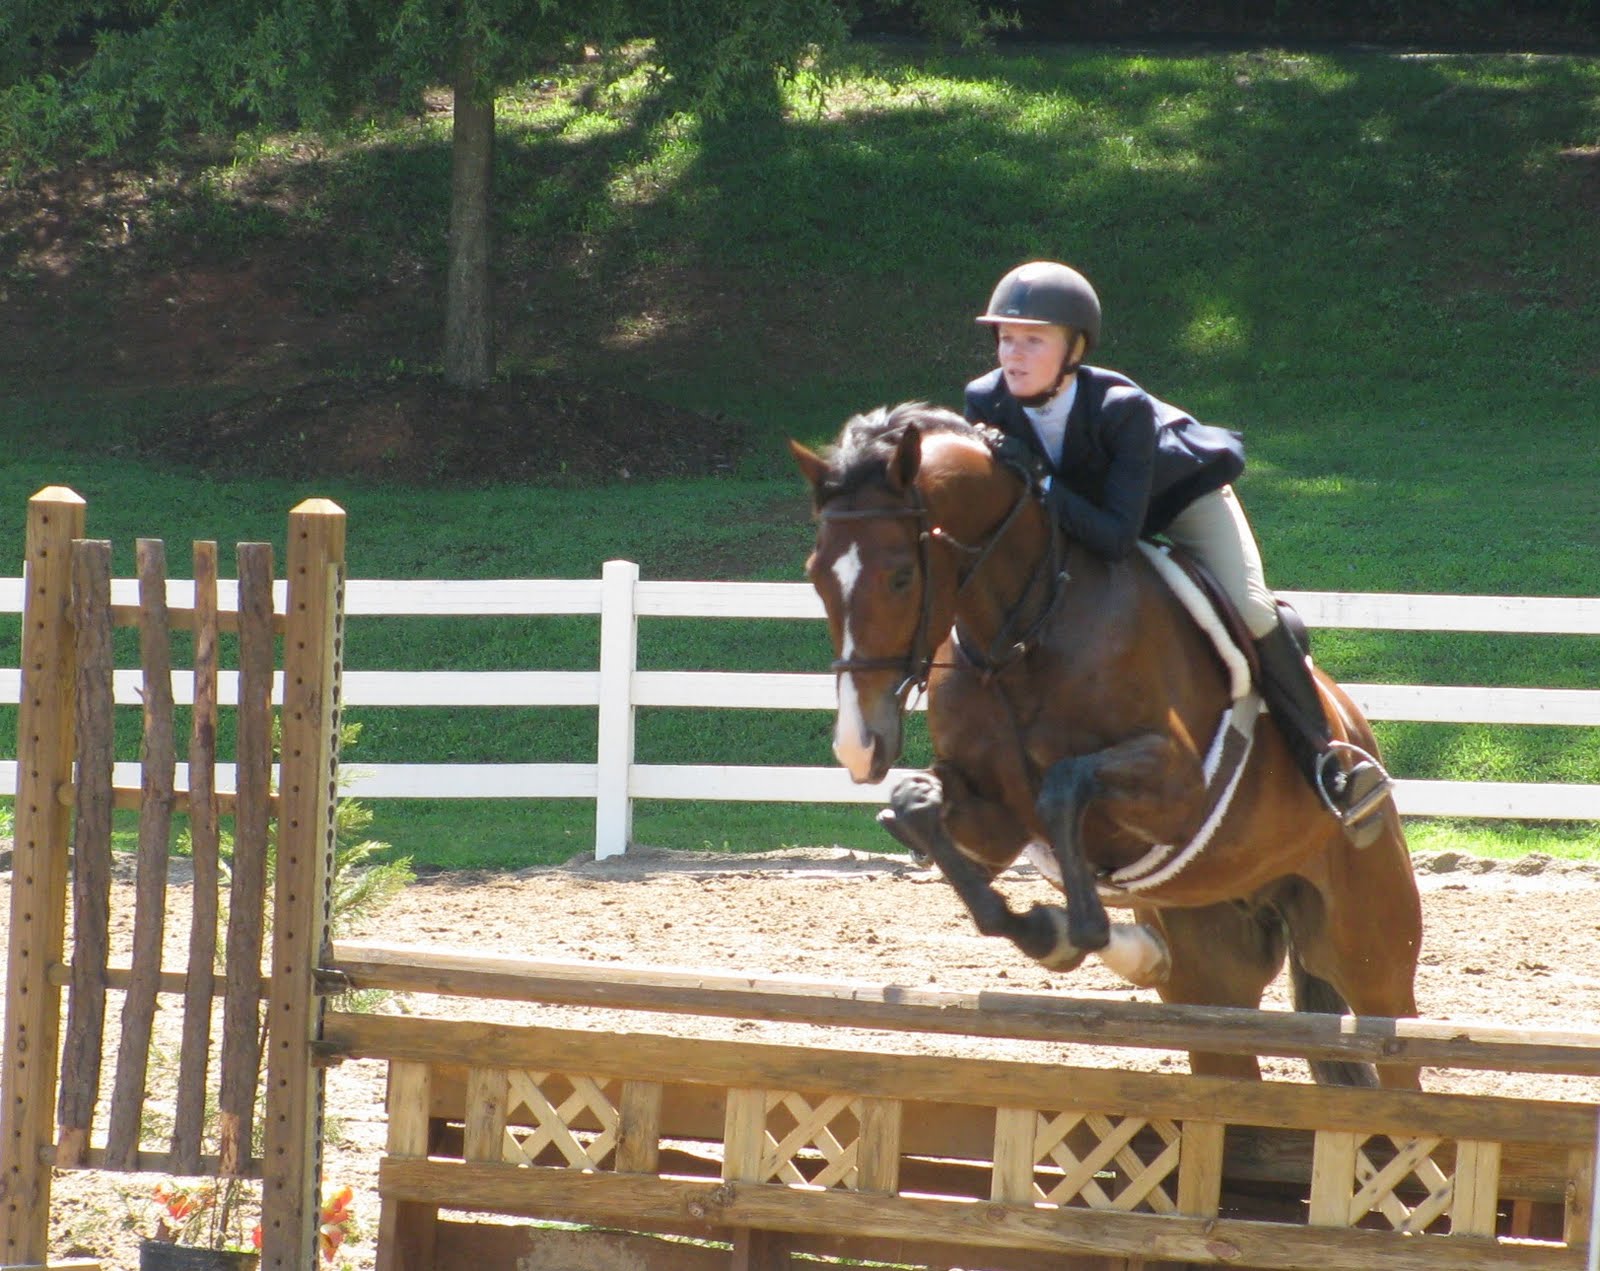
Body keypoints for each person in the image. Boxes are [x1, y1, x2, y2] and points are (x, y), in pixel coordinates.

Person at [963, 260, 1390, 845]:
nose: (1013, 354)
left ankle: (1327, 762)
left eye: (1033, 340)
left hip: (1180, 501)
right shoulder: (985, 400)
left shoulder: (1121, 407)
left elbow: (1116, 538)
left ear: (1074, 348)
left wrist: (1038, 482)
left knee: (1251, 608)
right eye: (1006, 339)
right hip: (1080, 510)